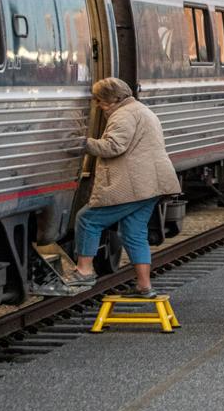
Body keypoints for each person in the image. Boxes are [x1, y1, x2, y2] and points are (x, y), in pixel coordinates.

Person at [67, 78, 181, 299]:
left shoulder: (123, 114)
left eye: (100, 101)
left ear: (112, 99)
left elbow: (114, 146)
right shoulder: (141, 110)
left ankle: (84, 270)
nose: (99, 106)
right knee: (134, 233)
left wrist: (82, 143)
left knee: (88, 219)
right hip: (151, 184)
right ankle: (144, 286)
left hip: (134, 184)